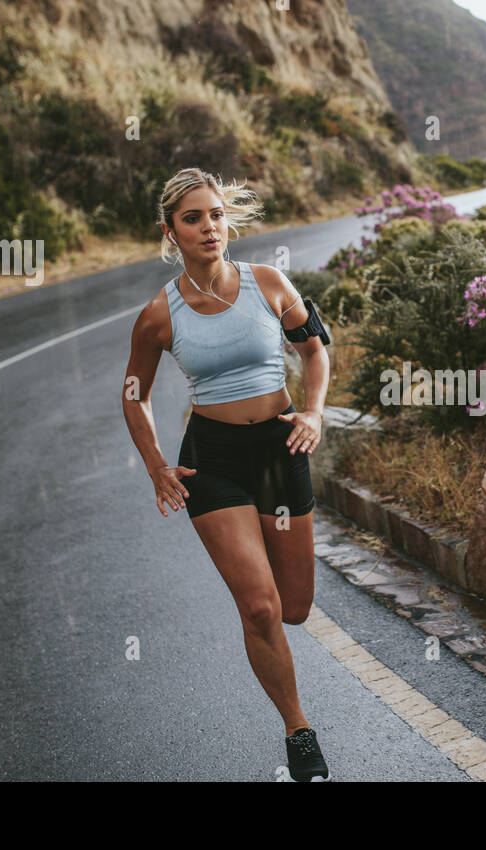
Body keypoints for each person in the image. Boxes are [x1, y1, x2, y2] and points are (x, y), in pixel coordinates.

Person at [121, 167, 332, 781]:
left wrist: (314, 411)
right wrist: (158, 467)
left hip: (279, 449)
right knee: (261, 608)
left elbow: (315, 349)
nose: (209, 227)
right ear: (171, 232)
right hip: (210, 461)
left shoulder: (269, 284)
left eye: (215, 214)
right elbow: (134, 393)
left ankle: (284, 670)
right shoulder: (158, 316)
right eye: (193, 218)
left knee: (294, 607)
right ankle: (299, 732)